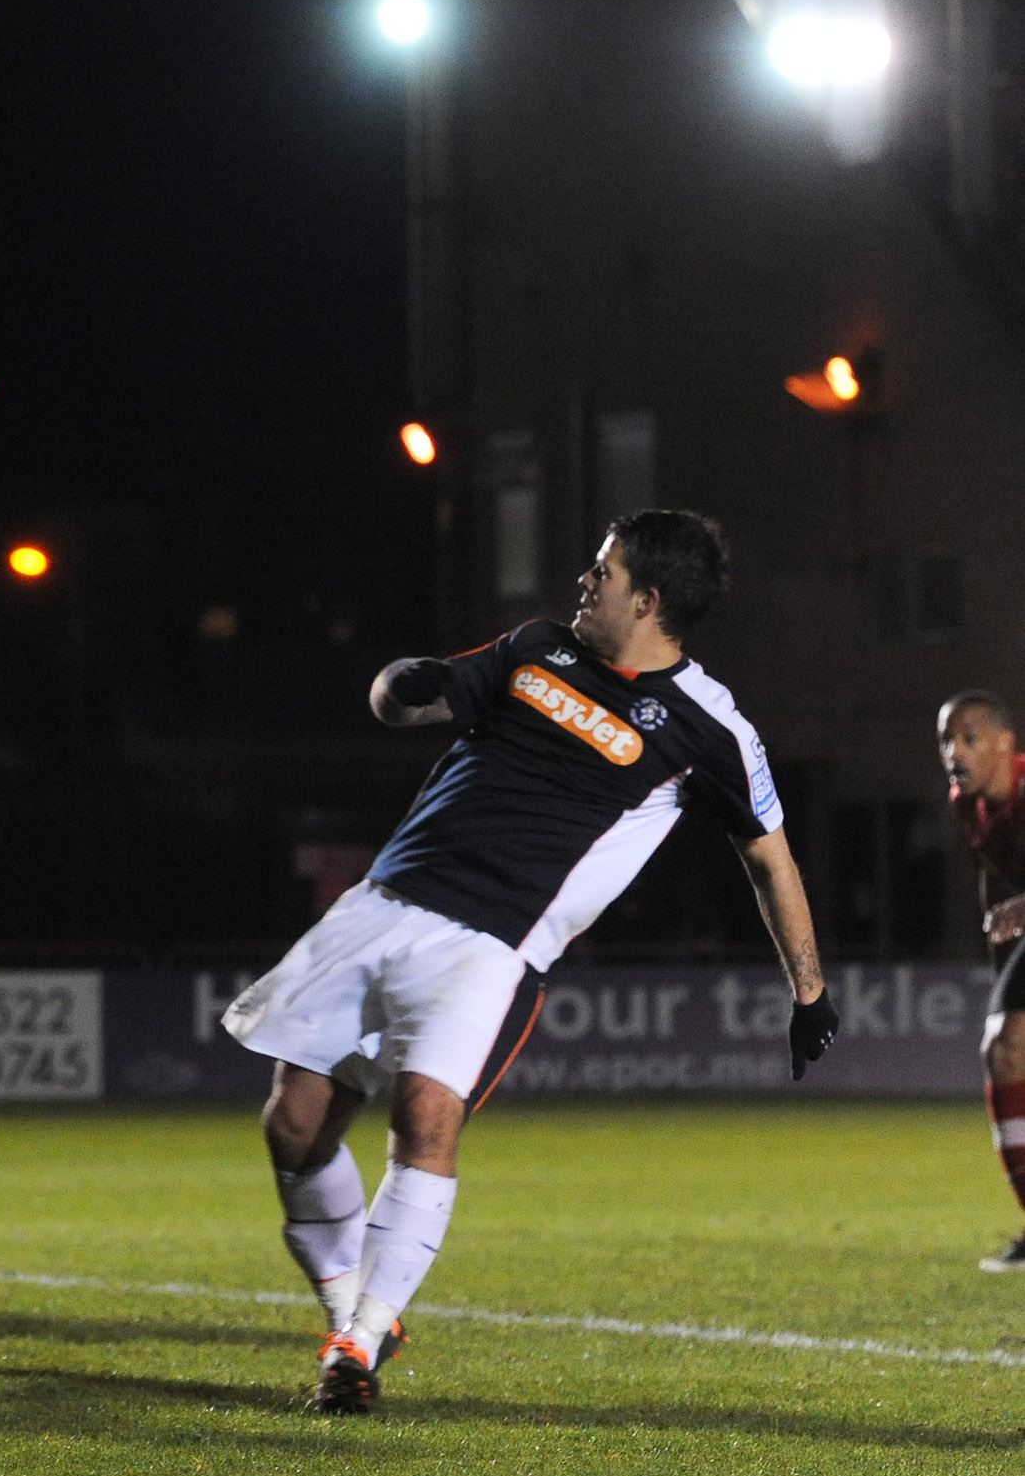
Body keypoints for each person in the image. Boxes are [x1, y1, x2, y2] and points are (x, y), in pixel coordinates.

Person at [224, 510, 841, 1413]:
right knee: (293, 1124)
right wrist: (404, 683)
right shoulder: (537, 647)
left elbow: (769, 858)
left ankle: (354, 1350)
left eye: (604, 570)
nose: (585, 581)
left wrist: (809, 991)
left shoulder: (712, 728)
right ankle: (352, 1310)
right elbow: (405, 699)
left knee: (425, 1116)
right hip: (383, 905)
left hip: (493, 944)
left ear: (649, 598)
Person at [935, 690, 1025, 1271]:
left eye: (968, 737)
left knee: (1007, 1046)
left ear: (1006, 744)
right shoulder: (967, 806)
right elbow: (995, 881)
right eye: (946, 739)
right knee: (1006, 1048)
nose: (954, 751)